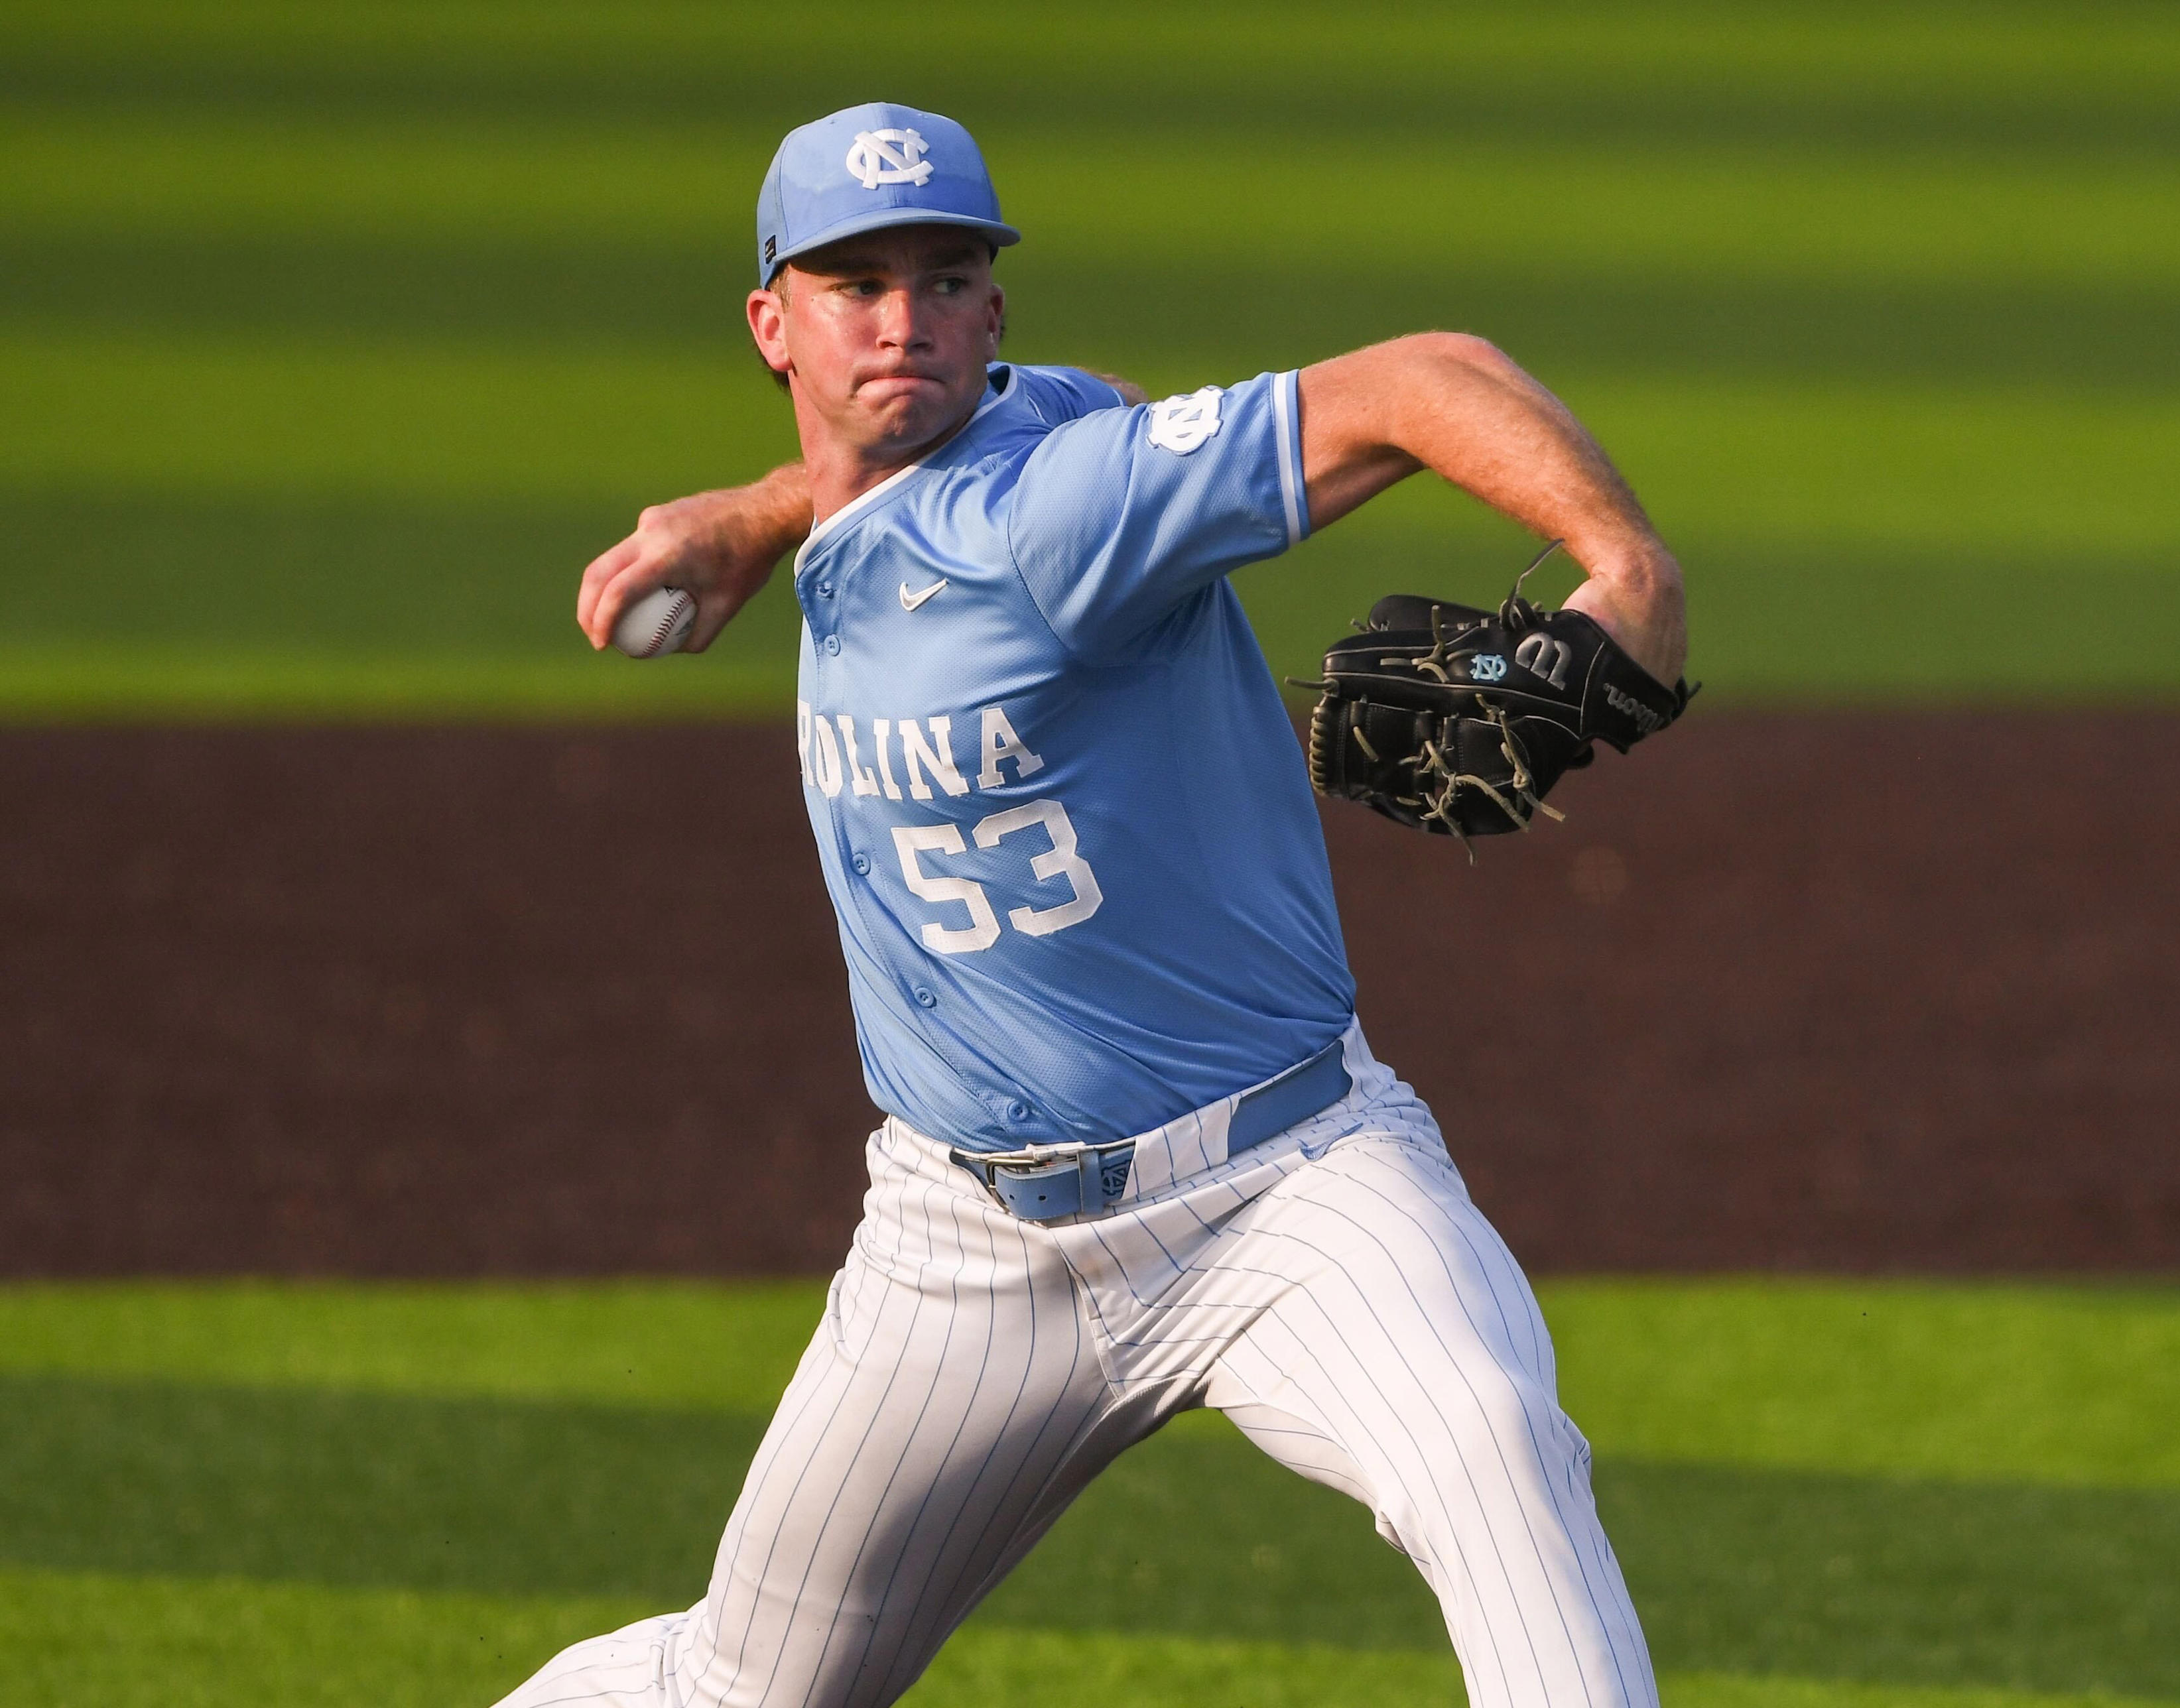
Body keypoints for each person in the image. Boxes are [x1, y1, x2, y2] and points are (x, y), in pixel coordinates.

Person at [499, 102, 1685, 1708]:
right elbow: (913, 479)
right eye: (857, 283)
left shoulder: (1063, 509)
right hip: (964, 1245)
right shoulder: (971, 461)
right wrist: (768, 510)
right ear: (773, 322)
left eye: (945, 276)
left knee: (1490, 1452)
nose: (905, 317)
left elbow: (1424, 376)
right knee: (742, 1682)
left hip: (1288, 1188)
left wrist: (1623, 570)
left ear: (995, 310)